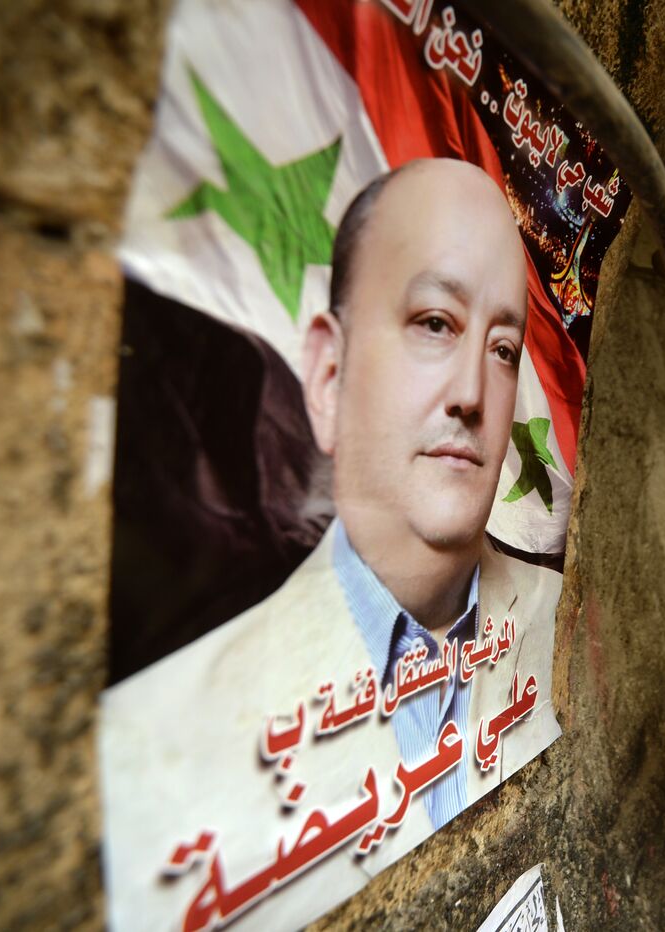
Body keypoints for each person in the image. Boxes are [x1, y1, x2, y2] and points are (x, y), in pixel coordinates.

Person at [99, 160, 563, 930]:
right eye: (434, 324)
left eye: (504, 349)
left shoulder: (555, 615)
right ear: (328, 373)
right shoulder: (162, 751)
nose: (472, 395)